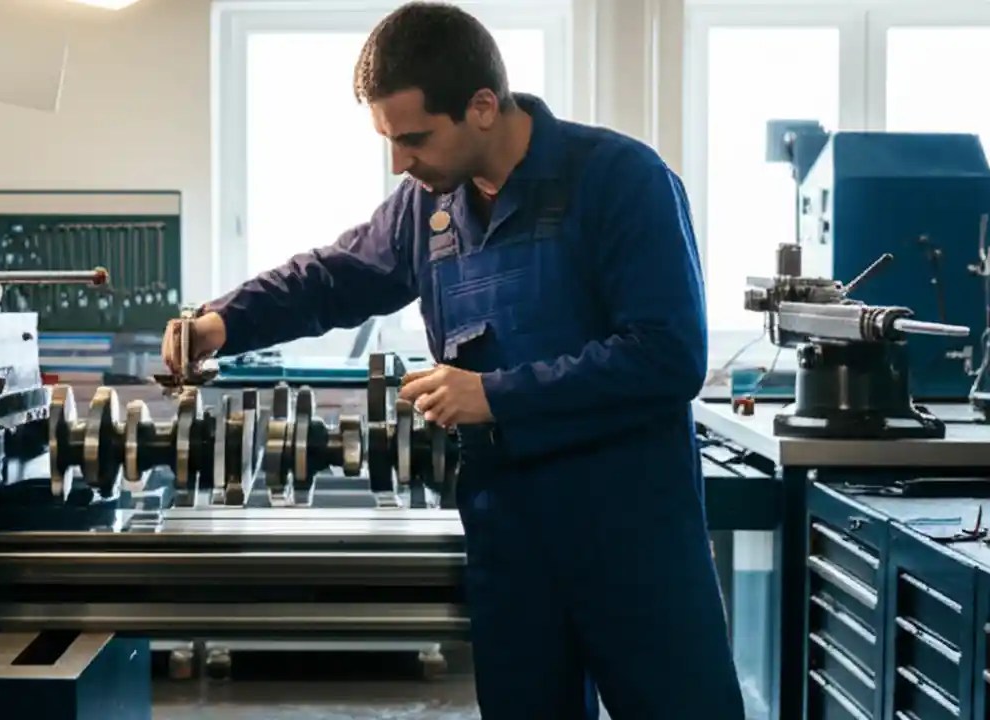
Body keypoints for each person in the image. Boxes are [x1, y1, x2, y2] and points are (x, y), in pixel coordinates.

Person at [162, 2, 746, 717]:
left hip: (634, 538)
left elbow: (668, 355)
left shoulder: (620, 180)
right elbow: (333, 277)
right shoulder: (427, 208)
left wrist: (494, 395)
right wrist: (223, 321)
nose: (400, 164)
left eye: (414, 139)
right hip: (512, 541)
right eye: (388, 141)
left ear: (482, 107)